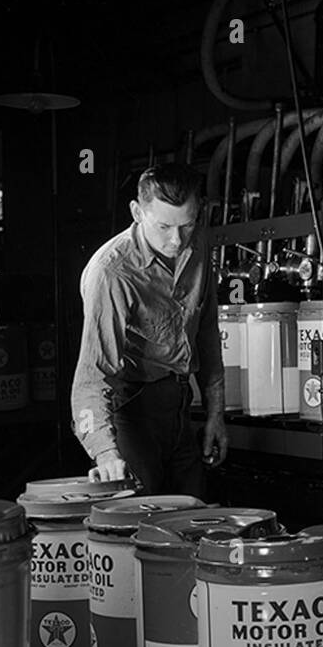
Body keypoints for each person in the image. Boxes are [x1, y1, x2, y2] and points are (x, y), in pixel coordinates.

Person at [71, 163, 228, 496]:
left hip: (180, 408)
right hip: (130, 412)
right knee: (140, 520)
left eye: (187, 225)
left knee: (193, 514)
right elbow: (90, 376)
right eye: (164, 226)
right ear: (136, 212)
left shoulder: (196, 243)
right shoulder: (112, 272)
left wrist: (216, 414)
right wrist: (105, 452)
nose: (176, 240)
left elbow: (208, 335)